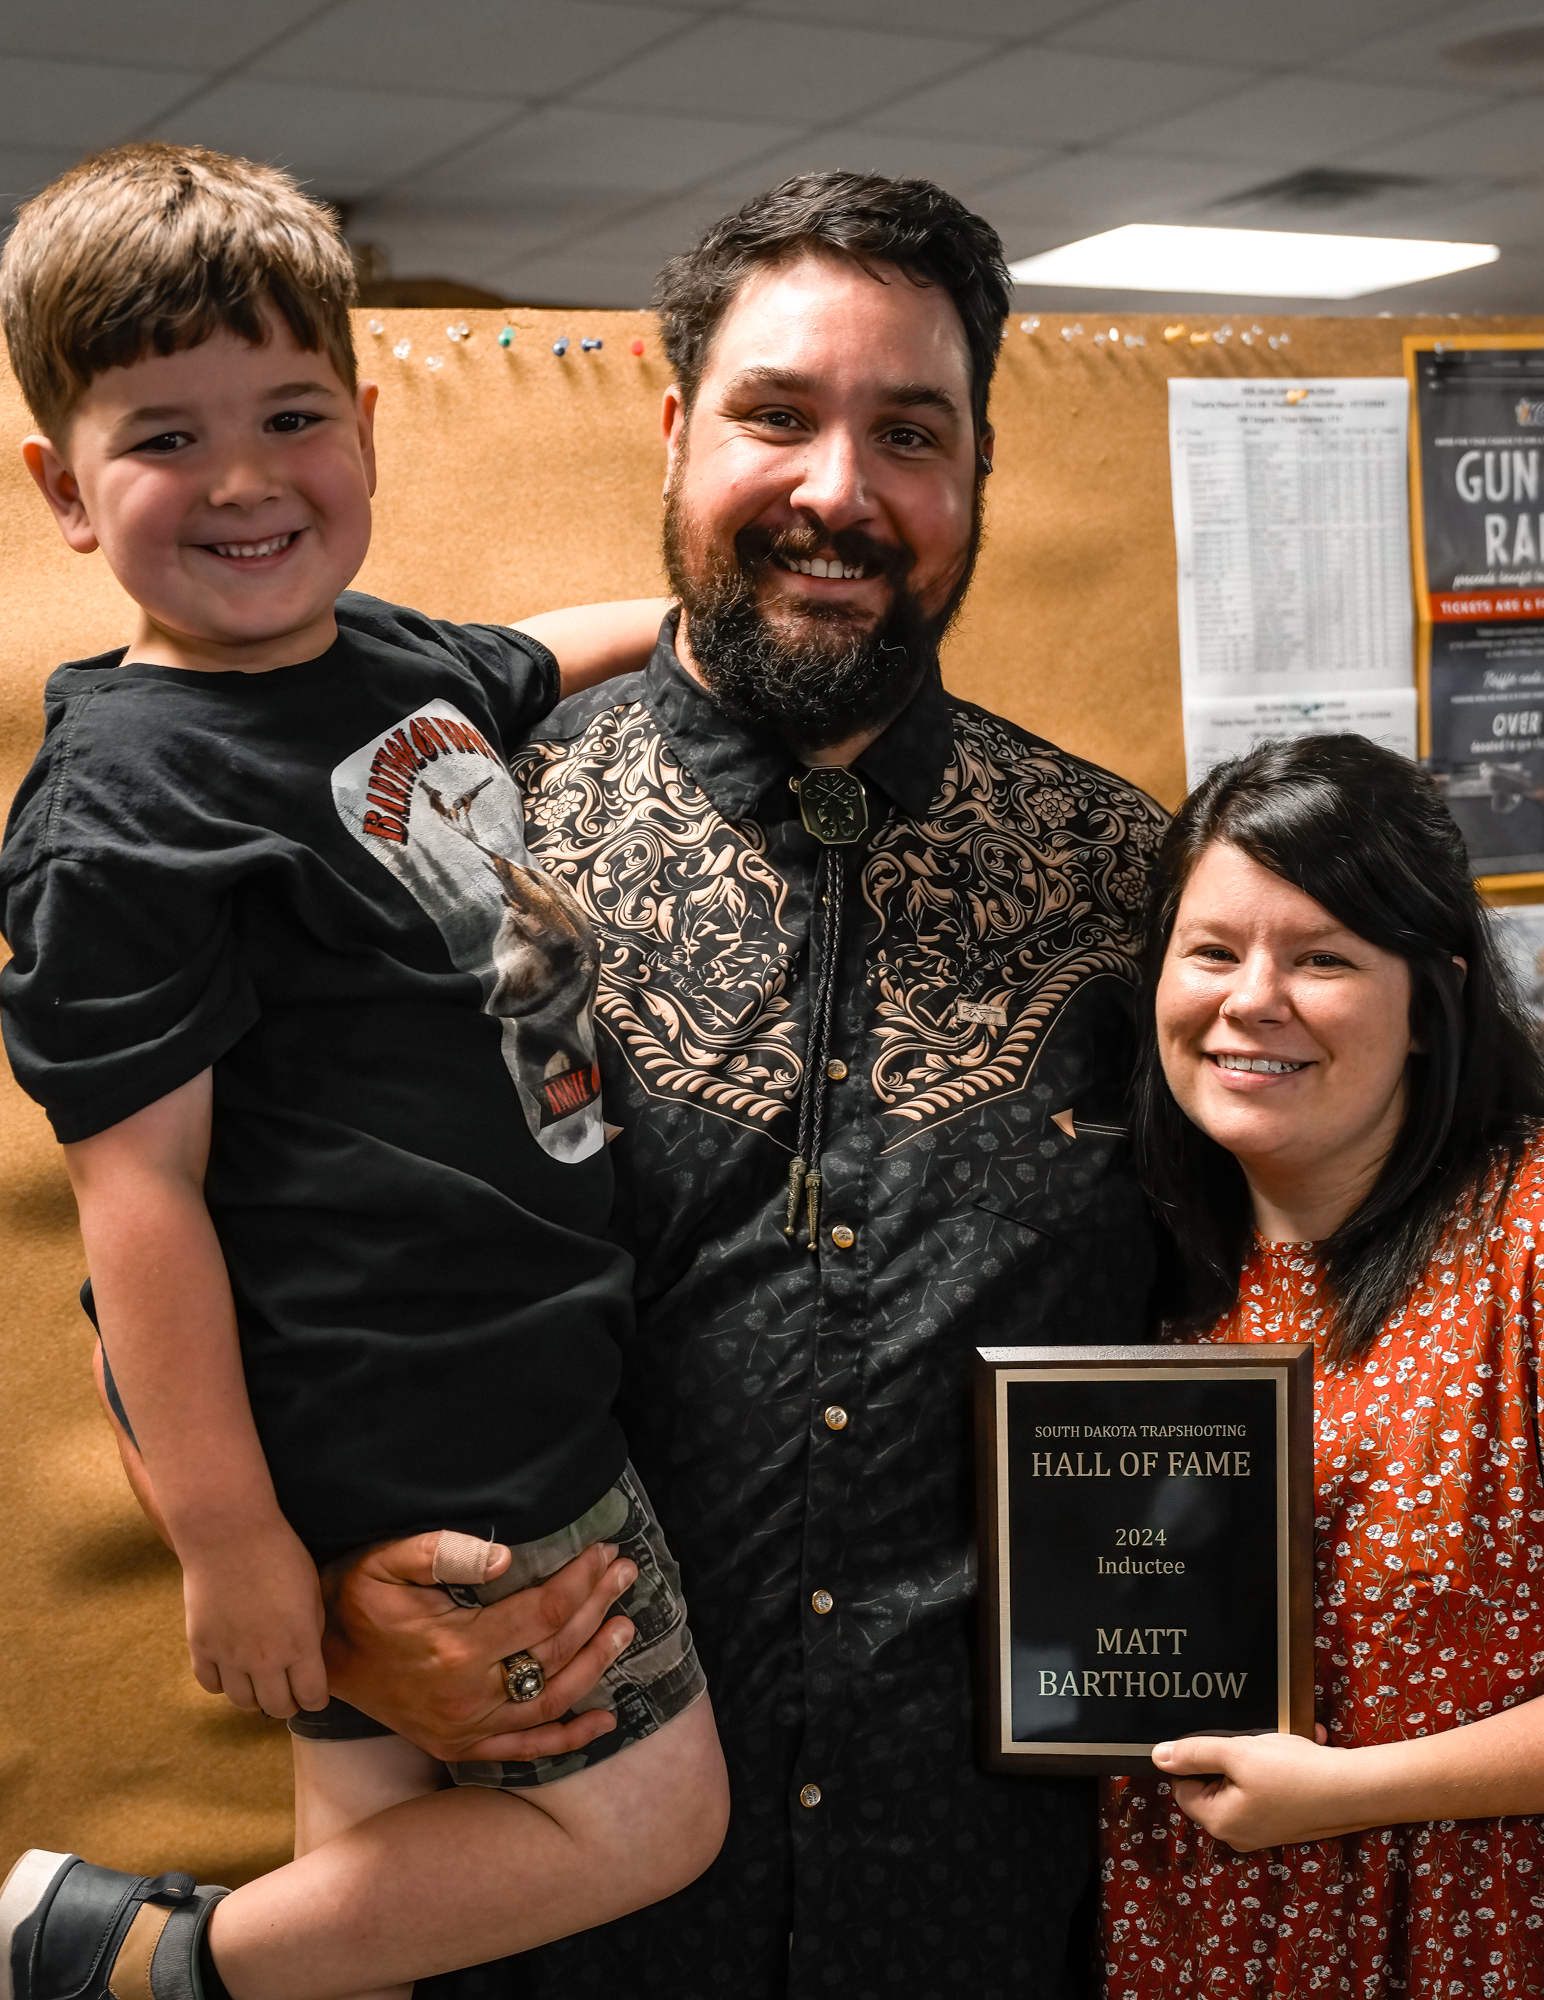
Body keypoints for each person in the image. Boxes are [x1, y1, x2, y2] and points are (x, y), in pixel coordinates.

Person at [322, 170, 1171, 1999]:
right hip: (564, 1915)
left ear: (977, 478)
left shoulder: (1129, 885)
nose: (839, 490)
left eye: (911, 433)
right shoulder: (466, 844)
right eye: (778, 414)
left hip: (996, 1915)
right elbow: (224, 1282)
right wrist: (323, 1612)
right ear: (673, 431)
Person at [0, 144, 725, 2000]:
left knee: (376, 1865)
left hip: (471, 1353)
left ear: (369, 432)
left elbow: (526, 661)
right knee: (644, 1822)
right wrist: (232, 1547)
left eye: (291, 415)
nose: (242, 479)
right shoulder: (129, 804)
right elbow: (134, 1193)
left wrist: (711, 638)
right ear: (64, 490)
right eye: (164, 438)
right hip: (428, 1394)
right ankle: (134, 1967)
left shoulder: (384, 660)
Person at [1100, 731, 1544, 1998]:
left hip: (1537, 1934)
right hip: (1218, 1940)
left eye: (1322, 956)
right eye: (1211, 949)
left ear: (1429, 999)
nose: (1249, 997)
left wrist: (1349, 1791)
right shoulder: (1123, 1251)